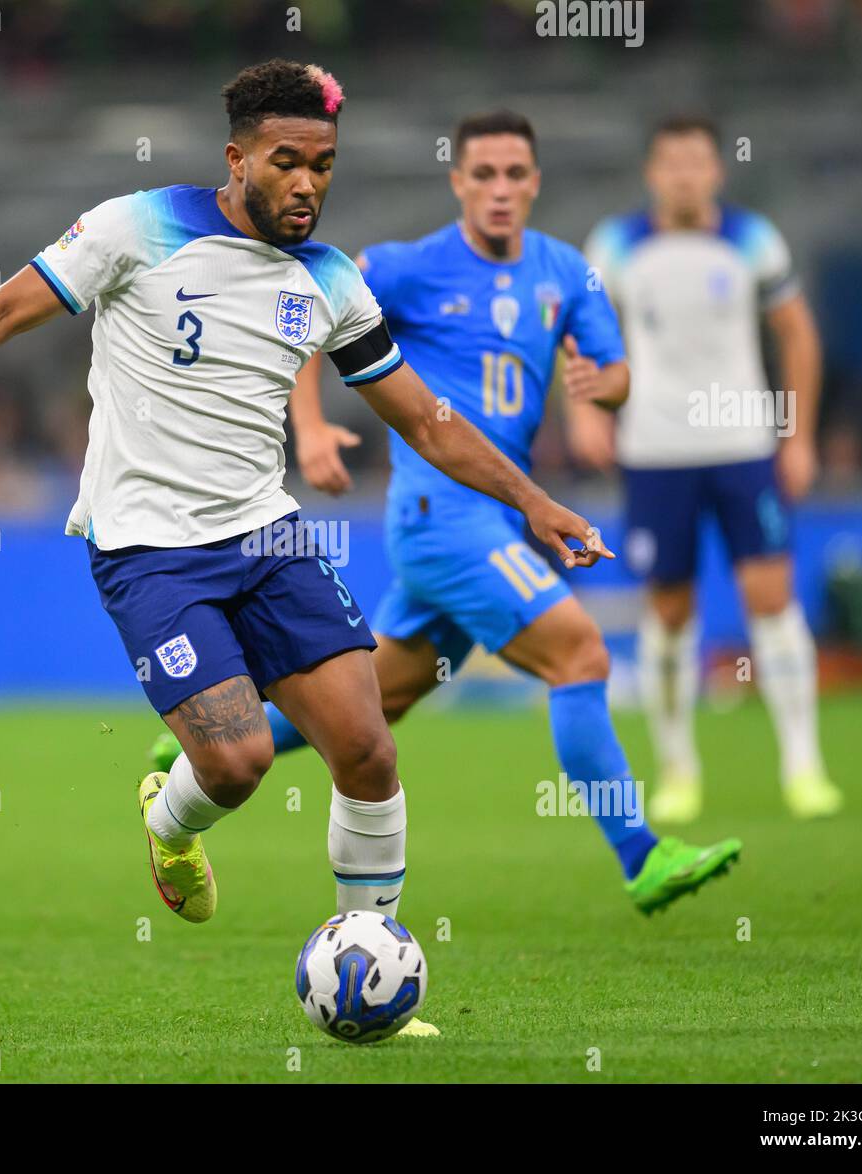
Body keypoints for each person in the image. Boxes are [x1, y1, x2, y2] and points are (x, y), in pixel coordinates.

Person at [0, 63, 610, 1031]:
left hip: (266, 536)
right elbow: (0, 312)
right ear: (236, 159)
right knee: (238, 762)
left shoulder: (329, 281)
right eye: (287, 162)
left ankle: (368, 970)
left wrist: (535, 503)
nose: (307, 185)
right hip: (148, 550)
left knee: (366, 748)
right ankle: (168, 827)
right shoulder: (135, 229)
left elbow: (427, 419)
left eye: (323, 165)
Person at [152, 110, 743, 914]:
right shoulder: (408, 266)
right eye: (484, 174)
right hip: (441, 513)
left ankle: (191, 748)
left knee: (375, 704)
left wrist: (598, 387)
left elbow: (616, 372)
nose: (500, 190)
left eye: (514, 175)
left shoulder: (566, 273)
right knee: (580, 656)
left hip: (498, 515)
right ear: (458, 181)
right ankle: (641, 855)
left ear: (534, 183)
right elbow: (306, 309)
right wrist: (313, 423)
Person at [575, 115, 841, 821]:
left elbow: (799, 337)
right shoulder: (617, 244)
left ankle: (803, 765)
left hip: (745, 446)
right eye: (672, 163)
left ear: (717, 170)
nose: (685, 175)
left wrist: (800, 436)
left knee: (771, 596)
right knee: (669, 607)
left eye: (697, 162)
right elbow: (580, 330)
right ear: (652, 173)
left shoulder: (752, 240)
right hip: (655, 450)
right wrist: (584, 413)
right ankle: (678, 770)